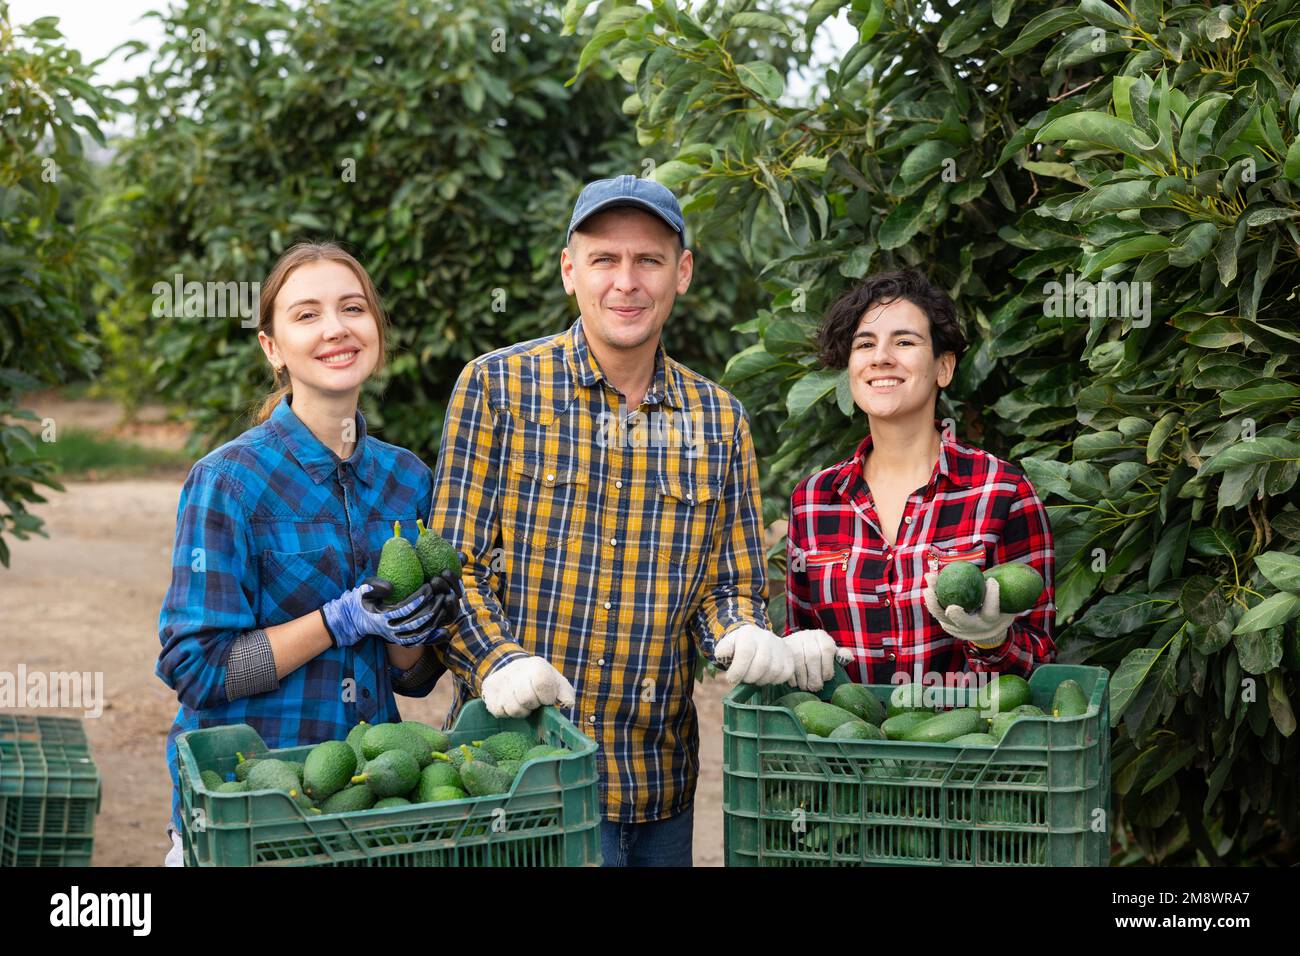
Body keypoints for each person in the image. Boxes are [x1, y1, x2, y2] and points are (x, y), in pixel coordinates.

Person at [426, 175, 838, 867]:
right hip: (522, 778)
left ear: (682, 273)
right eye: (604, 260)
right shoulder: (496, 387)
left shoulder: (719, 420)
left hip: (656, 788)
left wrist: (741, 631)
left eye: (648, 260)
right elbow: (451, 565)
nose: (627, 282)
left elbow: (725, 585)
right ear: (569, 271)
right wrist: (500, 662)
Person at [155, 242, 462, 866]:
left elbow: (411, 675)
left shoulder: (408, 481)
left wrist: (411, 633)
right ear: (273, 348)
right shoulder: (229, 482)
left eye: (353, 308)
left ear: (376, 330)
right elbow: (196, 668)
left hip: (366, 804)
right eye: (306, 314)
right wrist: (335, 621)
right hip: (246, 808)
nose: (335, 328)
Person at [784, 269, 1055, 693]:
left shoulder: (1002, 491)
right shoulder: (815, 500)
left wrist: (992, 639)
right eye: (865, 344)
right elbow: (799, 640)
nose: (881, 358)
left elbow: (1040, 662)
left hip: (971, 753)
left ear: (943, 367)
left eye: (905, 342)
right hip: (845, 755)